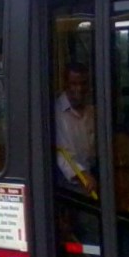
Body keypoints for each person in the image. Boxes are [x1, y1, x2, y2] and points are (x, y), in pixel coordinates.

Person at [55, 62, 97, 197]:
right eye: (74, 84)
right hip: (66, 187)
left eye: (83, 83)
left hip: (91, 182)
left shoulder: (92, 112)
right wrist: (82, 174)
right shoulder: (55, 112)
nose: (79, 88)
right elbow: (59, 153)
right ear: (65, 84)